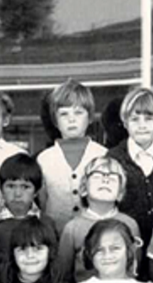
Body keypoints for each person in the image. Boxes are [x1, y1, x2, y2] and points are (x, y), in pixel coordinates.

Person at [108, 88, 153, 280]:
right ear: (124, 122)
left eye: (148, 119)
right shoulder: (114, 158)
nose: (142, 125)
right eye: (135, 119)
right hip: (127, 244)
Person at [54, 156, 142, 283]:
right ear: (84, 189)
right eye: (97, 177)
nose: (105, 181)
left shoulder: (130, 224)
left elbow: (134, 267)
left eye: (112, 178)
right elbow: (63, 273)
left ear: (120, 194)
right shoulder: (72, 228)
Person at [36, 80, 109, 230]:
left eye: (78, 112)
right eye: (64, 114)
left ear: (89, 118)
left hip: (95, 234)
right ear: (55, 121)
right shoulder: (44, 159)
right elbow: (43, 201)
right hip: (56, 234)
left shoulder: (103, 155)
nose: (71, 119)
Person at [0, 154, 57, 275]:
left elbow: (52, 263)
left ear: (36, 191)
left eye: (25, 187)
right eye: (10, 186)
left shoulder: (45, 223)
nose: (17, 194)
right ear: (0, 188)